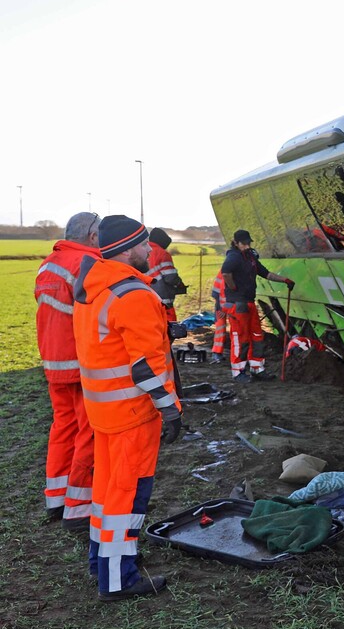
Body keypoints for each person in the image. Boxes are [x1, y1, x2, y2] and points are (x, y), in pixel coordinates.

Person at [73, 215, 182, 600]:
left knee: (106, 495)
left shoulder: (96, 288)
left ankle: (101, 562)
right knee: (127, 496)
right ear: (128, 248)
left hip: (104, 413)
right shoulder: (133, 294)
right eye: (144, 244)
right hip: (133, 414)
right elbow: (146, 366)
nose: (150, 249)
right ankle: (119, 578)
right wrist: (170, 409)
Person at [33, 212, 101, 531]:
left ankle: (57, 497)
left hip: (53, 361)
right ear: (91, 236)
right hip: (80, 362)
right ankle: (79, 506)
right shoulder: (86, 263)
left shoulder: (49, 263)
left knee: (63, 428)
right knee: (89, 430)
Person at [221, 229, 293, 383]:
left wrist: (284, 280)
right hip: (237, 304)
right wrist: (233, 288)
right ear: (236, 243)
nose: (247, 246)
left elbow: (265, 273)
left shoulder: (250, 257)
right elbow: (226, 273)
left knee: (256, 335)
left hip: (249, 302)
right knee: (241, 337)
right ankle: (238, 371)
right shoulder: (233, 256)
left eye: (248, 243)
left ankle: (257, 368)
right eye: (243, 244)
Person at [145, 227, 188, 322]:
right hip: (162, 298)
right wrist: (179, 284)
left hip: (145, 296)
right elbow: (170, 277)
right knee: (168, 326)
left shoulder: (143, 251)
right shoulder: (162, 254)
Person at [209, 270, 231, 364]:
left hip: (224, 299)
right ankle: (217, 353)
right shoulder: (234, 266)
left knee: (221, 325)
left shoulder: (230, 263)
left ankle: (217, 353)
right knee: (222, 326)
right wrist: (223, 308)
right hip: (225, 300)